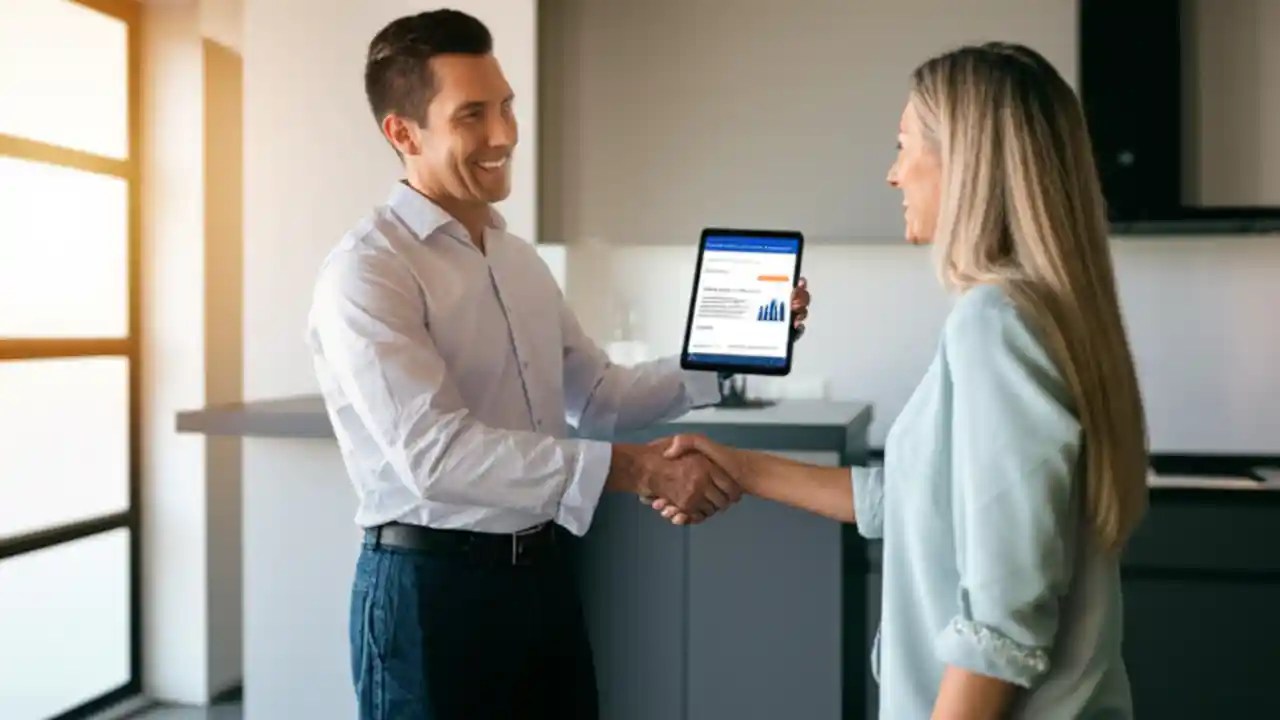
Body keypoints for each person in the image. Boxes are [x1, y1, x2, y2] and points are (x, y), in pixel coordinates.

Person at [305, 9, 811, 720]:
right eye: (472, 115)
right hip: (428, 594)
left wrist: (725, 357)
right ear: (403, 132)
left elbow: (600, 396)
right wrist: (639, 471)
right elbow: (436, 457)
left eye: (507, 105)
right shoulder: (367, 272)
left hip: (541, 577)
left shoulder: (516, 258)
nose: (505, 134)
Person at [655, 43, 1149, 718]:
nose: (893, 175)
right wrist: (740, 467)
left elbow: (1001, 626)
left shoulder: (994, 321)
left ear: (965, 162)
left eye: (903, 145)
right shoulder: (1044, 311)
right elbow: (914, 499)